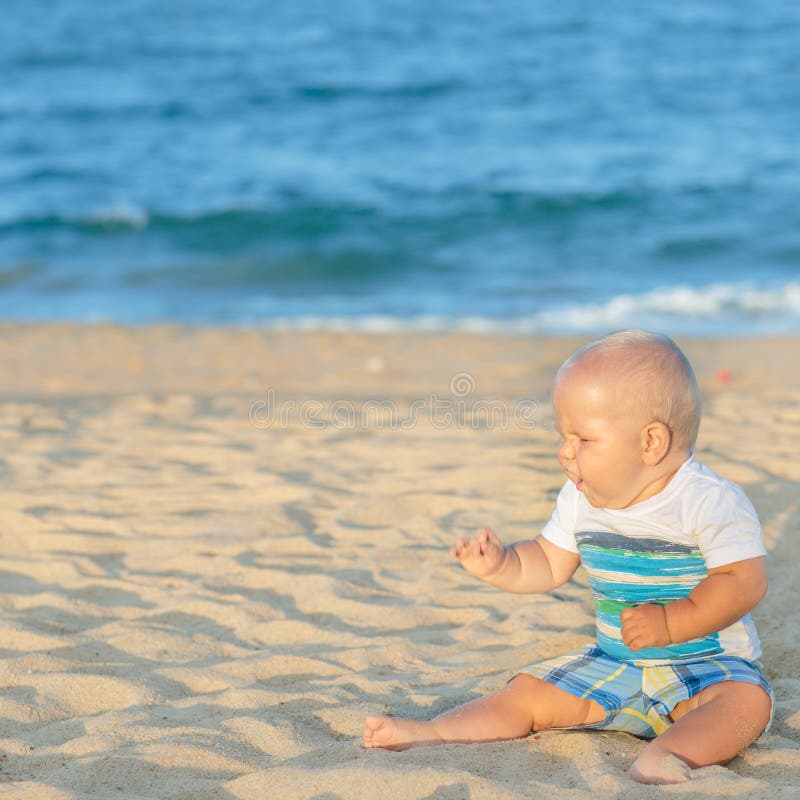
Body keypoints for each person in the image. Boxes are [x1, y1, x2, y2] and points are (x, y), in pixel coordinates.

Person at [362, 330, 773, 784]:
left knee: (747, 703)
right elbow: (547, 560)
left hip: (706, 669)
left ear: (650, 443)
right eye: (563, 436)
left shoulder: (708, 500)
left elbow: (743, 580)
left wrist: (672, 623)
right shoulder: (580, 498)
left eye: (583, 439)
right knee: (527, 693)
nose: (564, 452)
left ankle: (667, 754)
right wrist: (502, 564)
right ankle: (434, 732)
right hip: (614, 664)